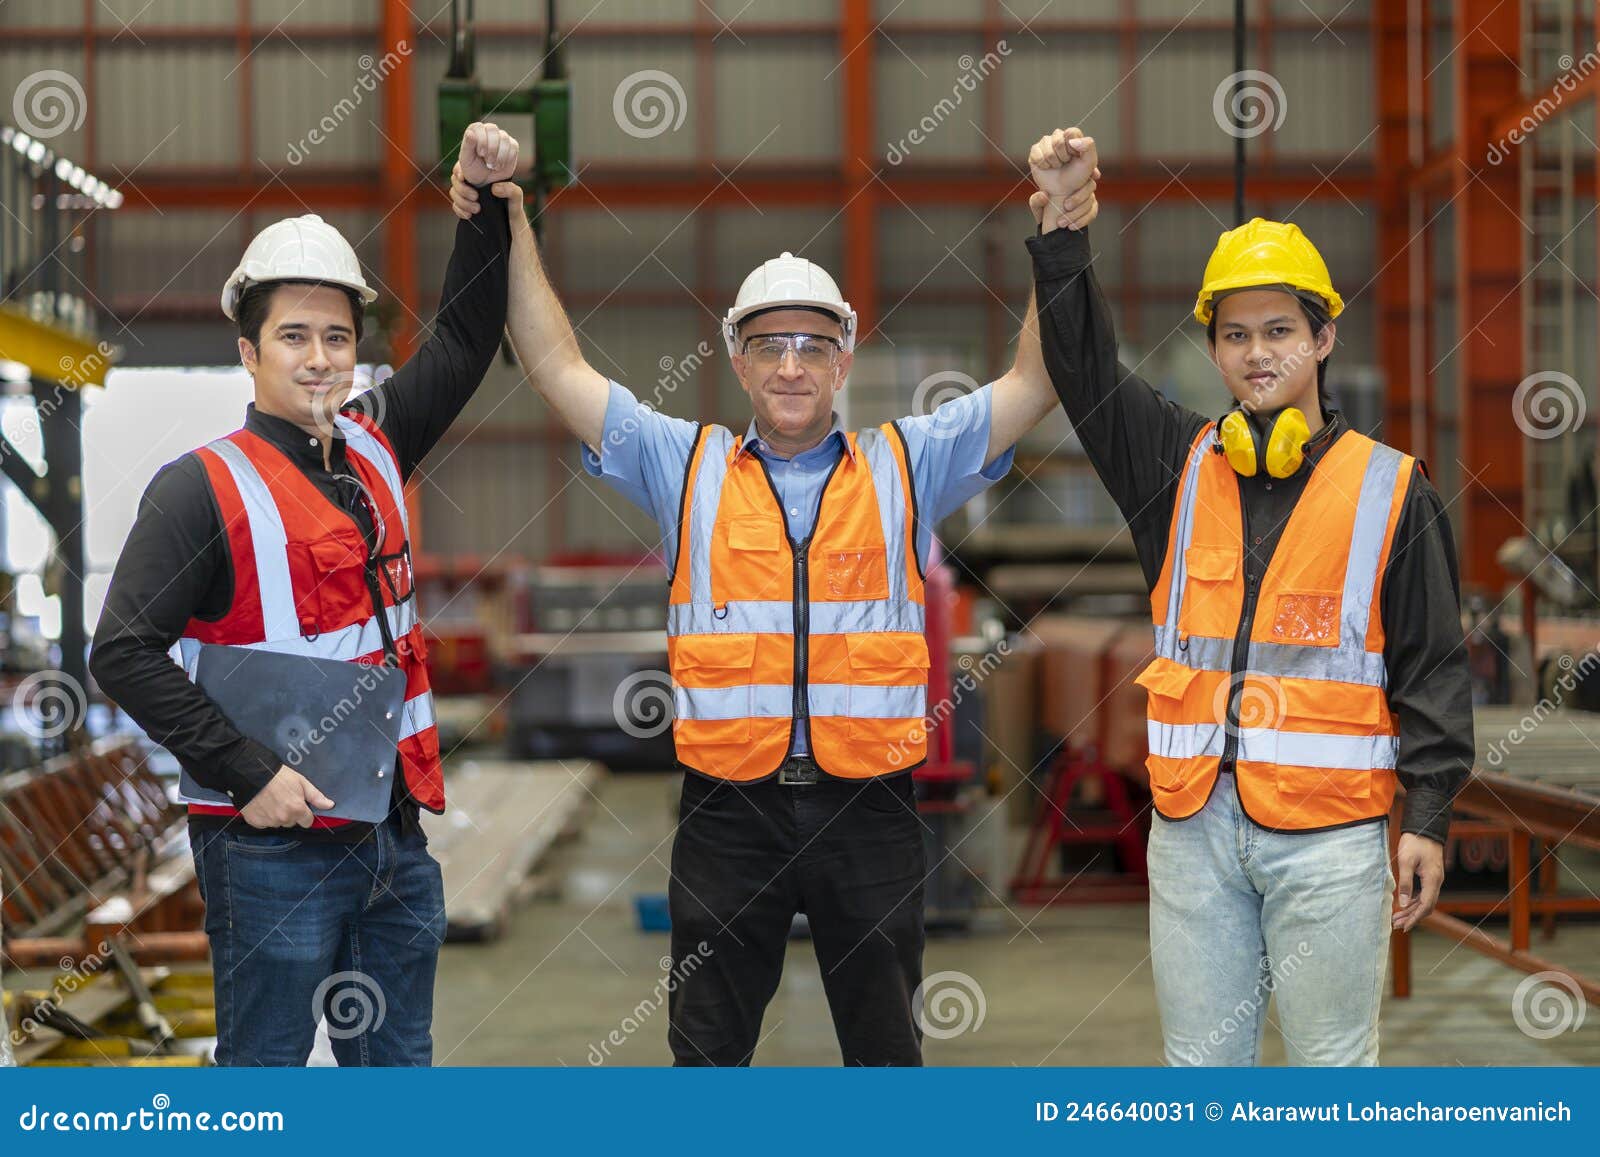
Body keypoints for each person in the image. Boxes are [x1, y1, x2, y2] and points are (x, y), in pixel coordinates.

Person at [446, 140, 1098, 1065]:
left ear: (843, 359)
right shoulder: (686, 465)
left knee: (884, 1058)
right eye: (768, 346)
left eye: (812, 346)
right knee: (707, 1061)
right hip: (727, 813)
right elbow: (555, 367)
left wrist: (1058, 218)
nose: (791, 366)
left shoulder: (907, 463)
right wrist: (509, 217)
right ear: (738, 361)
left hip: (869, 810)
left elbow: (1034, 382)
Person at [1027, 128, 1472, 1066]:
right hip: (1192, 832)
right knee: (1201, 1078)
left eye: (1279, 331)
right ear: (1215, 349)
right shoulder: (1174, 465)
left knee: (1331, 1072)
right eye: (1236, 334)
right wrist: (1064, 225)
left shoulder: (1392, 489)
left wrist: (1427, 818)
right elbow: (1085, 375)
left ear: (1323, 337)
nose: (1258, 353)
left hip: (1331, 837)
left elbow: (1433, 663)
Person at [89, 122, 518, 1067]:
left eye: (337, 336)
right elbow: (118, 650)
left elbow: (466, 337)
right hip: (269, 848)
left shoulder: (375, 441)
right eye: (293, 336)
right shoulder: (200, 487)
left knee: (395, 1072)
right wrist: (249, 772)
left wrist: (484, 208)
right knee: (267, 1084)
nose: (319, 358)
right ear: (248, 351)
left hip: (392, 836)